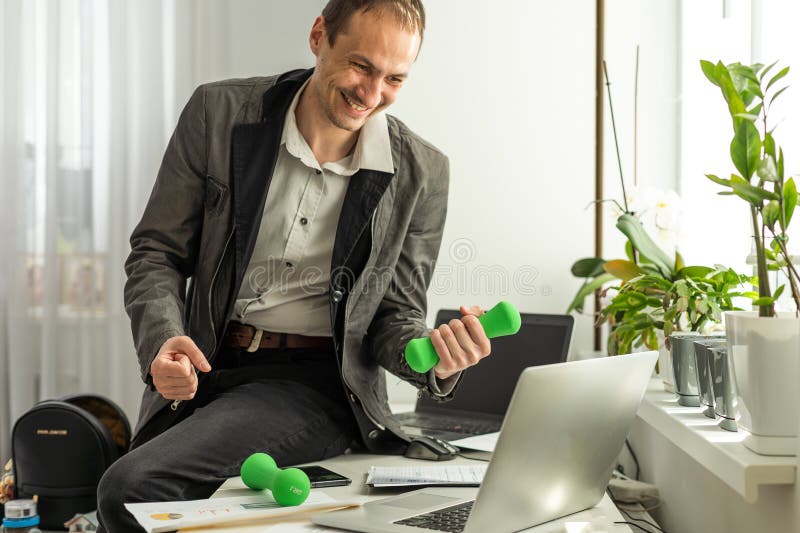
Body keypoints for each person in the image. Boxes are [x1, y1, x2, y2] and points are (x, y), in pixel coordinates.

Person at [96, 1, 493, 530]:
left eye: (394, 78)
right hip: (207, 365)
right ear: (318, 36)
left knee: (129, 487)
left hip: (313, 387)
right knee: (129, 489)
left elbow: (394, 319)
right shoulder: (217, 114)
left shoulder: (422, 173)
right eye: (361, 66)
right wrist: (163, 339)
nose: (372, 95)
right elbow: (156, 253)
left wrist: (437, 362)